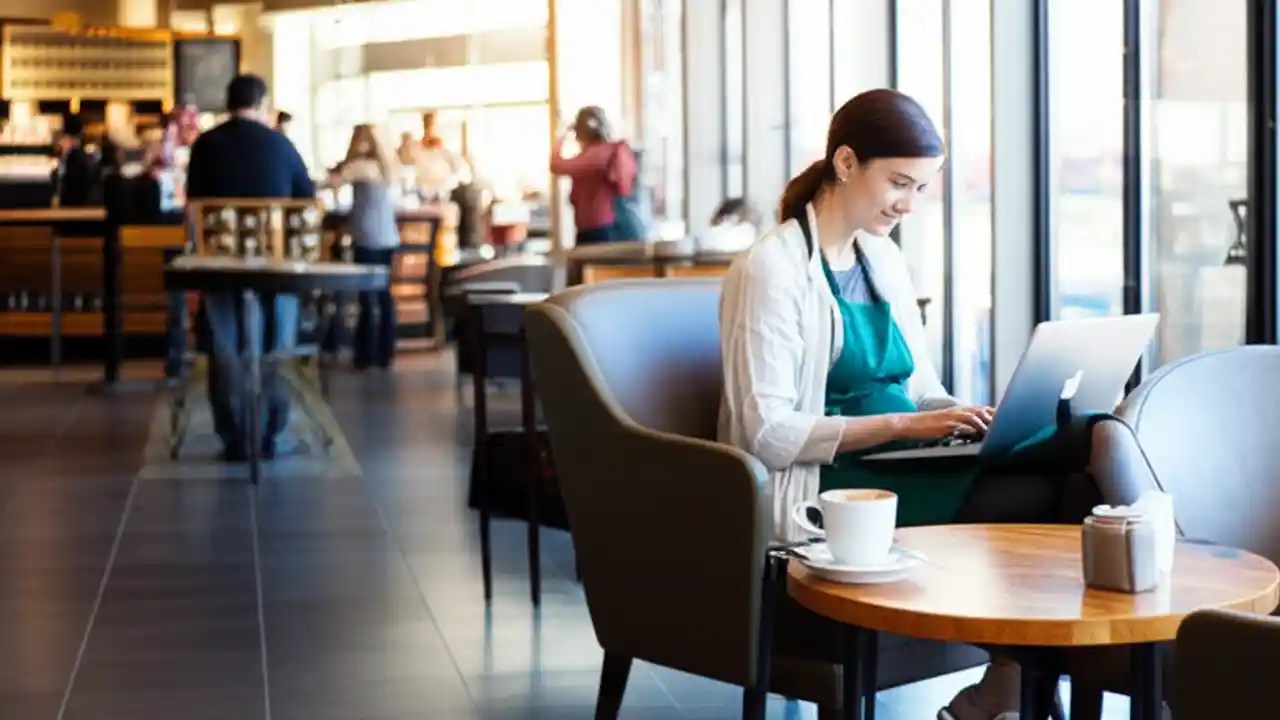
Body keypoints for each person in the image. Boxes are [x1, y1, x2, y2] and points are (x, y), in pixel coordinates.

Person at [718, 89, 1054, 720]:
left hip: (904, 458)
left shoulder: (882, 258)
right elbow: (766, 432)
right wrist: (906, 424)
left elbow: (922, 385)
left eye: (921, 188)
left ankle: (1010, 687)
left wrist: (958, 416)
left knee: (1079, 438)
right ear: (845, 163)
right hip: (836, 487)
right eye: (899, 183)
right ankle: (1020, 688)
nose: (909, 204)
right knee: (1040, 493)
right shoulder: (773, 270)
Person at [186, 73, 316, 462]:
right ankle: (270, 431)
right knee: (276, 347)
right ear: (262, 104)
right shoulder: (281, 144)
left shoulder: (205, 145)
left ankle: (234, 436)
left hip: (220, 264)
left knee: (226, 348)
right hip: (275, 269)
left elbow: (194, 208)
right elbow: (305, 204)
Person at [327, 124, 400, 369]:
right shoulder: (387, 167)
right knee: (384, 295)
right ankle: (385, 353)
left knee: (367, 296)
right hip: (387, 236)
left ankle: (365, 354)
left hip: (368, 236)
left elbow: (334, 181)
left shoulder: (362, 166)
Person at [549, 106, 638, 245]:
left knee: (591, 265)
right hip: (609, 226)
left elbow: (556, 166)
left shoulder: (596, 154)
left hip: (598, 228)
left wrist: (562, 135)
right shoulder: (612, 151)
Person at [409, 110, 471, 200]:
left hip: (444, 194)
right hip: (422, 194)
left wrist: (450, 183)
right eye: (427, 125)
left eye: (432, 125)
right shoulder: (416, 149)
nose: (429, 129)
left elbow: (464, 173)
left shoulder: (447, 150)